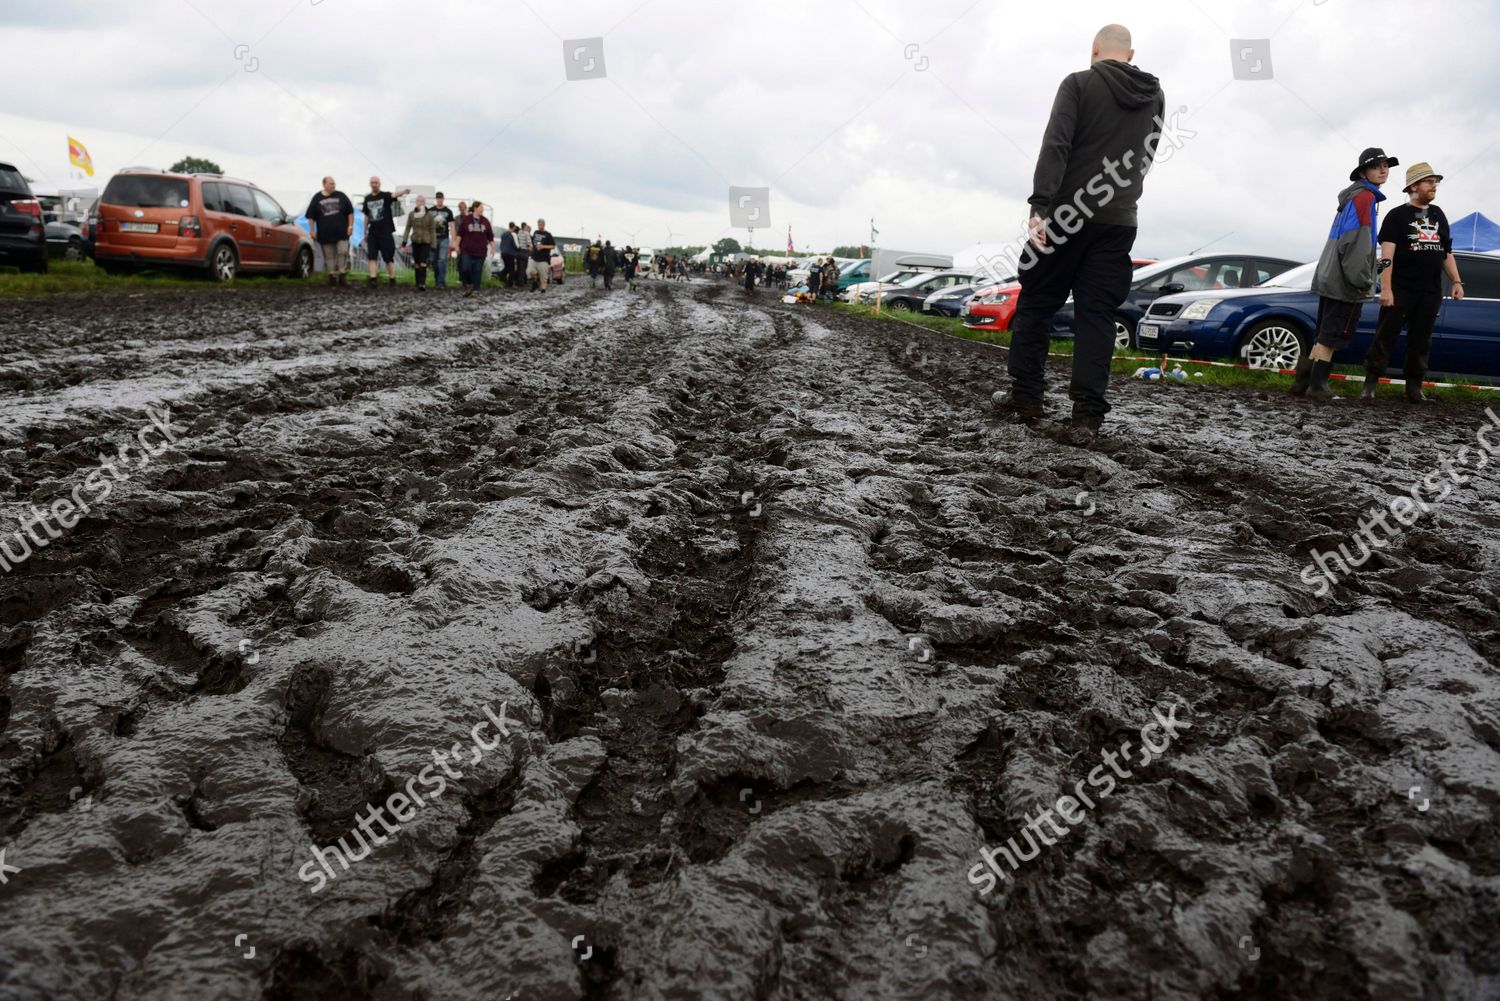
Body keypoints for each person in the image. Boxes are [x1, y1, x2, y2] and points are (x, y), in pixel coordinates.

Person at [997, 24, 1164, 431]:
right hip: (1119, 220)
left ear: (1094, 50)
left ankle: (1026, 396)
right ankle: (1088, 413)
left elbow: (1057, 143)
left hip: (1067, 215)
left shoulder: (1077, 83)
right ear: (1130, 52)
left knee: (1036, 302)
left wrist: (1040, 204)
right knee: (1097, 315)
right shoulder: (1155, 95)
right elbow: (1146, 155)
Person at [1293, 147, 1397, 400]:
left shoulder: (1354, 197)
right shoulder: (1365, 198)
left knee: (1325, 333)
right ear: (1364, 172)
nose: (1383, 170)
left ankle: (1303, 384)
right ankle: (1318, 386)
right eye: (1377, 166)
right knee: (1332, 335)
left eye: (1386, 165)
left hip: (1332, 276)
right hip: (1346, 281)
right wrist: (1364, 280)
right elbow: (1356, 245)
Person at [1360, 162, 1463, 403]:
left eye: (1435, 182)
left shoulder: (1438, 214)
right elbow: (1386, 257)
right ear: (1414, 186)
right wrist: (1385, 288)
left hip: (1430, 290)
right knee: (1385, 336)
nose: (1434, 186)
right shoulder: (1397, 216)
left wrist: (1456, 281)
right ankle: (1370, 385)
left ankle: (1414, 388)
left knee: (1421, 339)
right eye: (1429, 182)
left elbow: (1446, 252)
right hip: (1400, 289)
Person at [362, 177, 411, 287]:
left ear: (379, 184)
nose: (374, 184)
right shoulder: (367, 199)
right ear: (370, 184)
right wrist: (365, 231)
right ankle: (373, 279)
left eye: (376, 183)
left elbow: (394, 195)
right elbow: (366, 215)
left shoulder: (385, 195)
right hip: (373, 232)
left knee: (388, 256)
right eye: (372, 183)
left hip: (385, 231)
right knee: (372, 256)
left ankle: (392, 278)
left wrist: (403, 192)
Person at [306, 176, 354, 286]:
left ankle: (342, 275)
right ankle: (332, 276)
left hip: (342, 232)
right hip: (325, 233)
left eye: (334, 183)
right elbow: (311, 216)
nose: (333, 185)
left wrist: (350, 226)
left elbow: (350, 212)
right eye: (331, 184)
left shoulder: (341, 196)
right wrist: (312, 230)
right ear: (324, 185)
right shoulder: (317, 198)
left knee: (343, 251)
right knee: (329, 255)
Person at [455, 200, 494, 298]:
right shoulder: (466, 220)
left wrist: (492, 248)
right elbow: (459, 234)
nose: (482, 209)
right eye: (481, 207)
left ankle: (476, 290)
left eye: (483, 208)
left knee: (477, 270)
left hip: (480, 251)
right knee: (465, 268)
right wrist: (456, 245)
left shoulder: (485, 221)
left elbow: (490, 237)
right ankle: (469, 285)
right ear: (475, 208)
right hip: (466, 250)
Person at [401, 194, 437, 291]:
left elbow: (432, 230)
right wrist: (404, 241)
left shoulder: (429, 215)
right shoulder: (412, 214)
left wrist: (434, 244)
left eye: (422, 201)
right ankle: (417, 282)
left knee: (423, 262)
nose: (420, 203)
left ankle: (422, 283)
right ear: (416, 202)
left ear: (424, 202)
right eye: (418, 201)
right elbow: (408, 227)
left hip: (426, 241)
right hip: (415, 240)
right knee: (416, 263)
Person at [430, 192, 456, 289]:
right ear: (436, 199)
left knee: (442, 260)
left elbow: (452, 226)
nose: (439, 200)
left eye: (441, 198)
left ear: (443, 199)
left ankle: (441, 282)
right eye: (438, 198)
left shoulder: (448, 211)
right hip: (433, 239)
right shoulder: (430, 210)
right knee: (433, 260)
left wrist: (453, 240)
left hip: (444, 239)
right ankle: (437, 280)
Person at [529, 218, 556, 292]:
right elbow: (533, 243)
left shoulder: (548, 234)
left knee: (543, 276)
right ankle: (535, 283)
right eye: (538, 224)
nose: (539, 226)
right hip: (534, 256)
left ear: (544, 225)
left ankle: (543, 289)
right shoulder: (535, 232)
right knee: (529, 272)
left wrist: (543, 246)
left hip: (543, 258)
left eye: (540, 224)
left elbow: (553, 246)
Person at [499, 222, 519, 288]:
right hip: (510, 253)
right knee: (511, 269)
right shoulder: (513, 234)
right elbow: (516, 245)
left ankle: (502, 277)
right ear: (514, 227)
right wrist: (518, 249)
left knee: (507, 267)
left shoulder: (503, 234)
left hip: (503, 252)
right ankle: (510, 284)